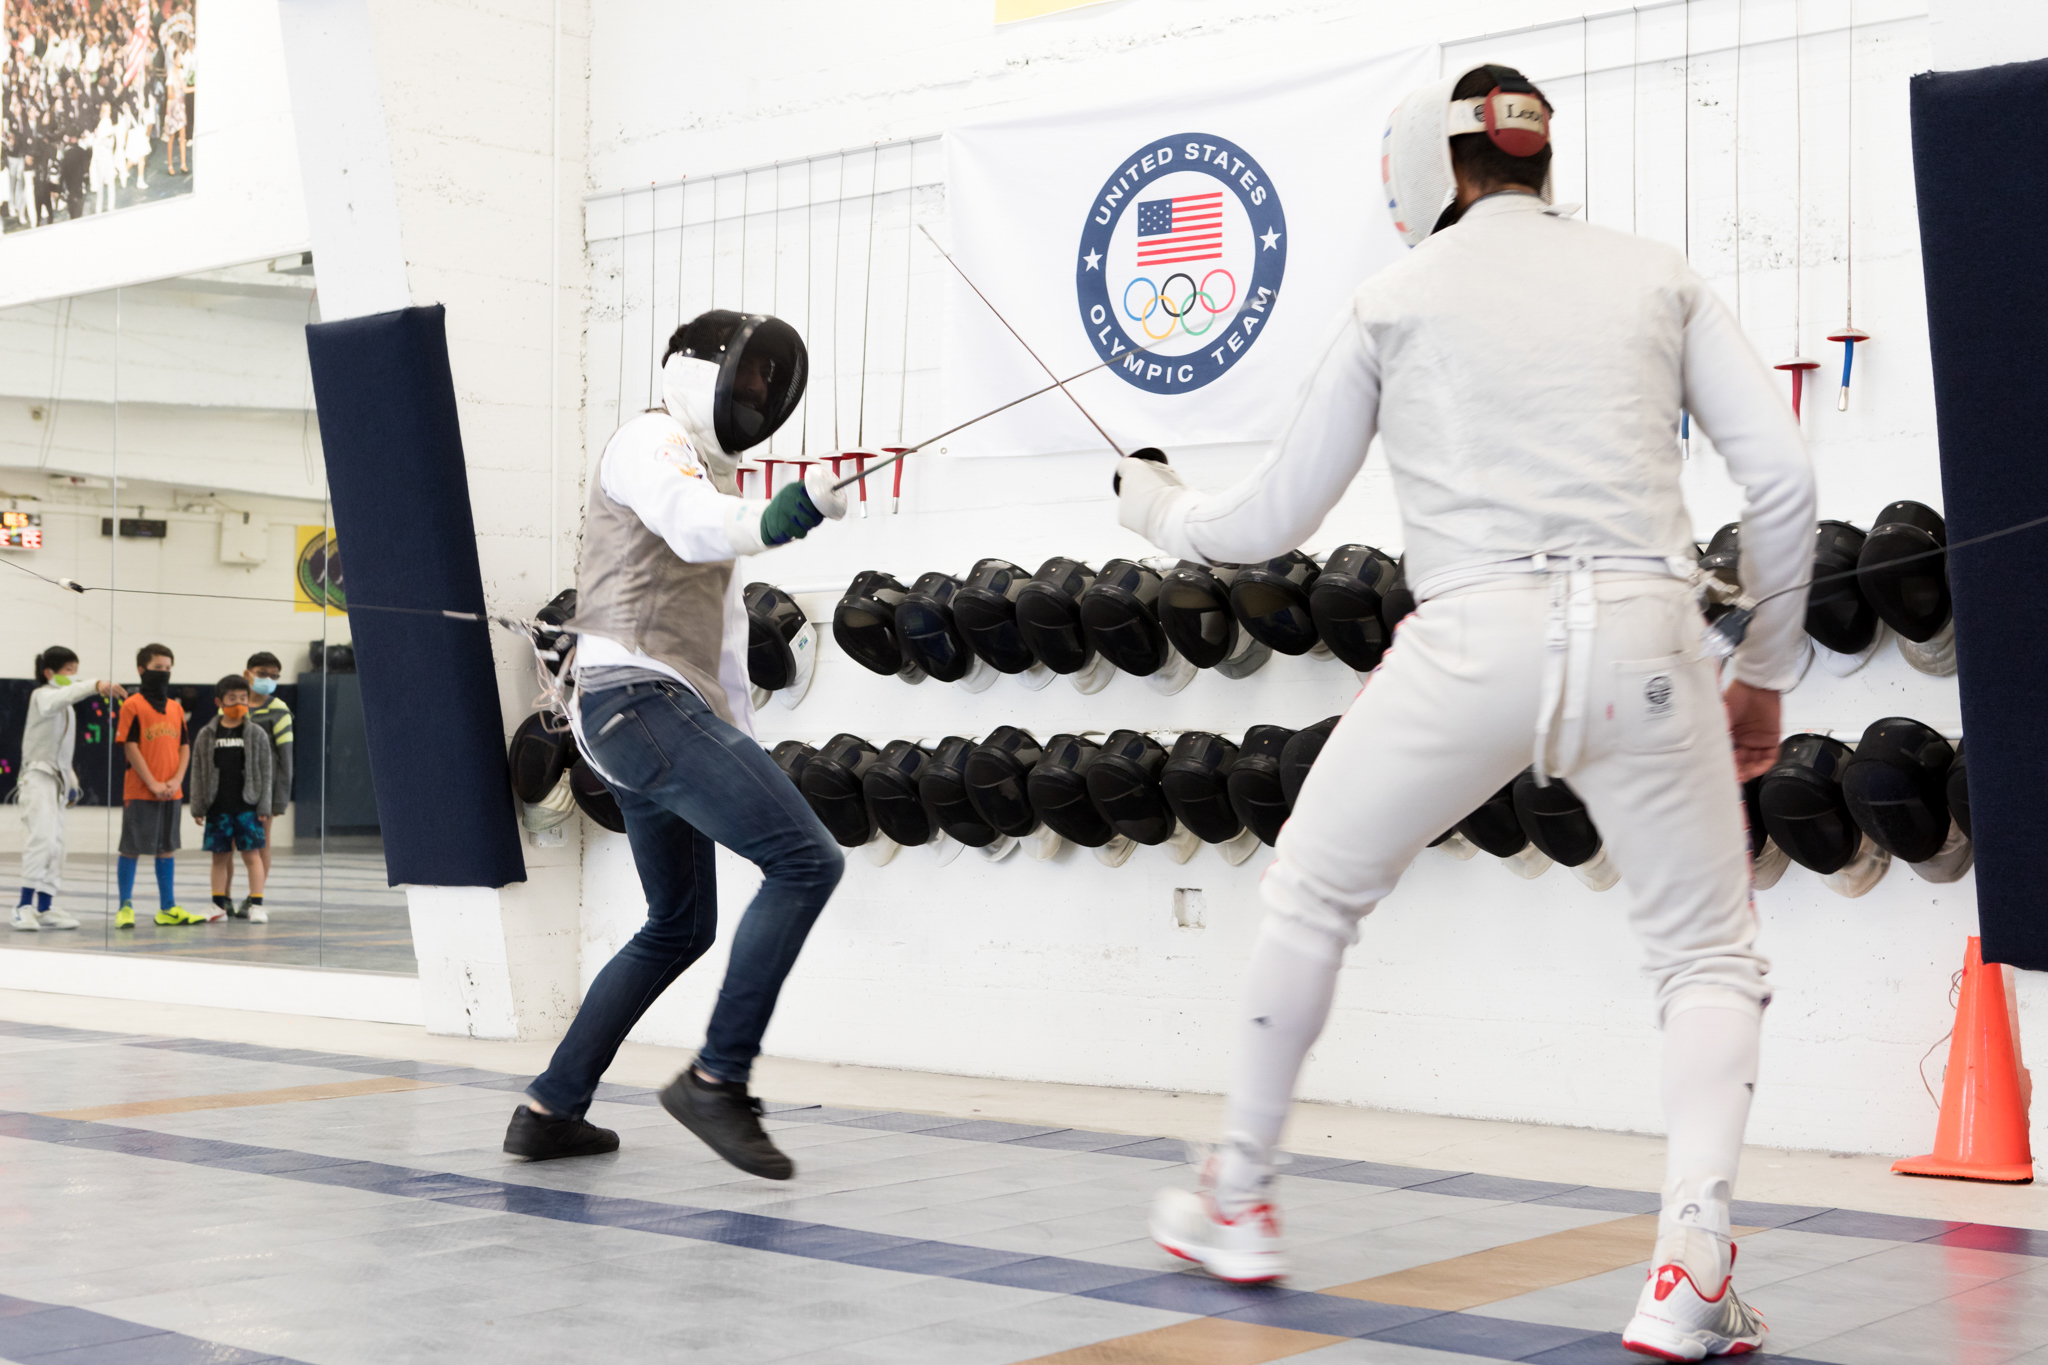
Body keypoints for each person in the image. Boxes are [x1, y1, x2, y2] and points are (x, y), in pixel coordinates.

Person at [1116, 65, 1813, 1362]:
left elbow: (1267, 523)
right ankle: (1691, 1267)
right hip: (1651, 642)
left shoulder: (1392, 299)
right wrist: (1765, 667)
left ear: (1427, 175)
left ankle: (1239, 1197)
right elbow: (1778, 479)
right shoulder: (1656, 274)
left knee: (1313, 893)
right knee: (1708, 956)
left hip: (1467, 640)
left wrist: (1151, 502)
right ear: (1538, 157)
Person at [504, 309, 849, 1176]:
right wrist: (785, 513)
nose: (757, 394)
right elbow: (697, 521)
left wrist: (742, 749)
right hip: (639, 707)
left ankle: (551, 1107)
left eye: (769, 386)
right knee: (809, 862)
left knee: (678, 924)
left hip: (651, 716)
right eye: (747, 378)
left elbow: (722, 655)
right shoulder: (651, 443)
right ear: (698, 371)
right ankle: (716, 1079)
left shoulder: (701, 471)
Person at [14, 647, 126, 931]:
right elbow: (61, 696)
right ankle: (23, 906)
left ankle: (45, 907)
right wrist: (95, 685)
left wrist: (72, 783)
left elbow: (62, 751)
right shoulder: (43, 696)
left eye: (75, 670)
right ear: (49, 672)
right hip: (36, 778)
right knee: (41, 840)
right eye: (67, 670)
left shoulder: (65, 707)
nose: (72, 676)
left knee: (57, 846)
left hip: (56, 782)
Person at [115, 642, 210, 926]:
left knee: (166, 848)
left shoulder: (175, 709)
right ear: (142, 670)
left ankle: (167, 907)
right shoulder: (132, 705)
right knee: (131, 847)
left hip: (171, 790)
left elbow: (184, 746)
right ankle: (125, 907)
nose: (164, 673)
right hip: (141, 789)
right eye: (158, 668)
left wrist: (176, 779)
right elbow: (130, 746)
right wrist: (154, 782)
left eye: (168, 669)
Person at [188, 675, 272, 923]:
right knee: (219, 858)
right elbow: (198, 772)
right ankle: (218, 905)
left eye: (243, 698)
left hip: (248, 807)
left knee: (251, 856)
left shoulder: (256, 733)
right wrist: (198, 806)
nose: (239, 702)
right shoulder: (207, 734)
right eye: (232, 698)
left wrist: (264, 805)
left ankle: (256, 903)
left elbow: (266, 772)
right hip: (218, 808)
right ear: (219, 701)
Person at [242, 650, 293, 896]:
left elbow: (286, 759)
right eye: (262, 674)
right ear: (247, 674)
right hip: (234, 789)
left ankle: (255, 897)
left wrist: (279, 799)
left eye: (274, 676)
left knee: (261, 843)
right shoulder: (234, 706)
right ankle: (224, 899)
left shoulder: (280, 710)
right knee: (231, 845)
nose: (268, 680)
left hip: (265, 793)